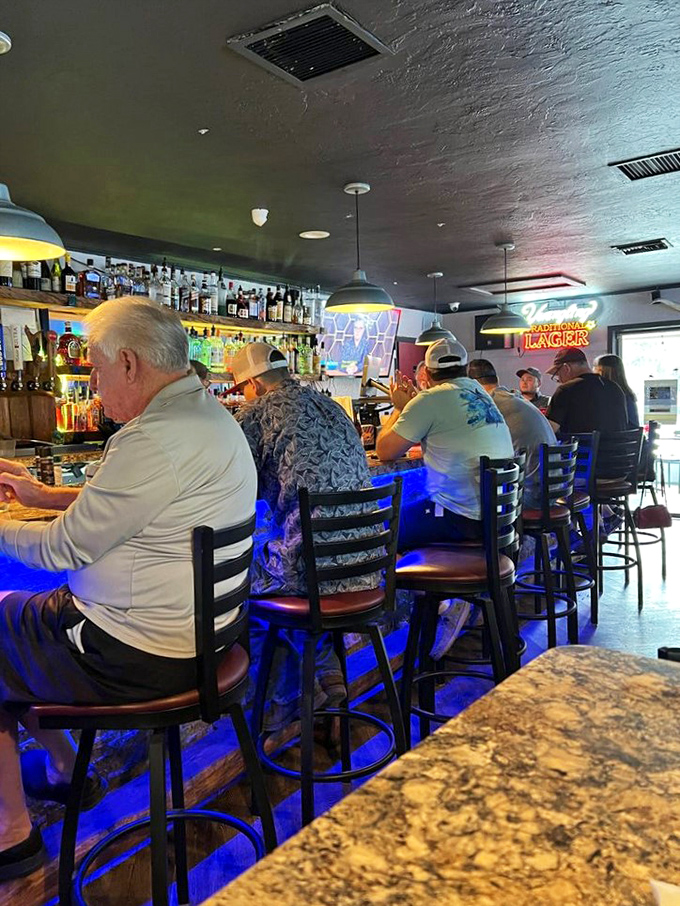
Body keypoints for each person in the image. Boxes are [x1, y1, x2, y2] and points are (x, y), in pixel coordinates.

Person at [0, 298, 257, 880]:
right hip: (204, 637)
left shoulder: (153, 436)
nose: (92, 382)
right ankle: (68, 774)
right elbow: (134, 504)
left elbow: (62, 549)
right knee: (16, 620)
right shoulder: (209, 417)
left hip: (142, 655)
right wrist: (44, 499)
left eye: (94, 368)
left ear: (130, 364)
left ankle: (12, 836)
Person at [232, 342, 374, 730]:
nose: (241, 397)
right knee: (298, 571)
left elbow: (239, 486)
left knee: (238, 583)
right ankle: (327, 673)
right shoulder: (330, 405)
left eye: (240, 388)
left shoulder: (258, 412)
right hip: (369, 565)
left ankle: (283, 701)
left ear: (256, 384)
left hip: (313, 569)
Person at [377, 338, 512, 658]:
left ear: (428, 373)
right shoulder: (481, 394)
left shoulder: (430, 400)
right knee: (410, 516)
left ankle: (432, 597)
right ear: (465, 368)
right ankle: (437, 596)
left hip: (457, 517)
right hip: (495, 521)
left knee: (379, 529)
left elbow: (384, 451)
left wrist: (400, 407)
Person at [468, 358, 556, 507]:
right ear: (497, 380)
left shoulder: (489, 404)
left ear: (472, 385)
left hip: (533, 496)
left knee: (466, 501)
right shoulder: (512, 398)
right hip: (553, 488)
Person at [545, 348, 628, 436]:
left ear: (566, 368)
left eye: (558, 374)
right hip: (618, 449)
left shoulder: (566, 390)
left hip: (584, 449)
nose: (559, 380)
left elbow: (547, 431)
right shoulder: (615, 387)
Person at [594, 354, 639, 428]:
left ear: (604, 371)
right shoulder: (627, 393)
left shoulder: (608, 394)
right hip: (630, 437)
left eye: (597, 369)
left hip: (615, 438)